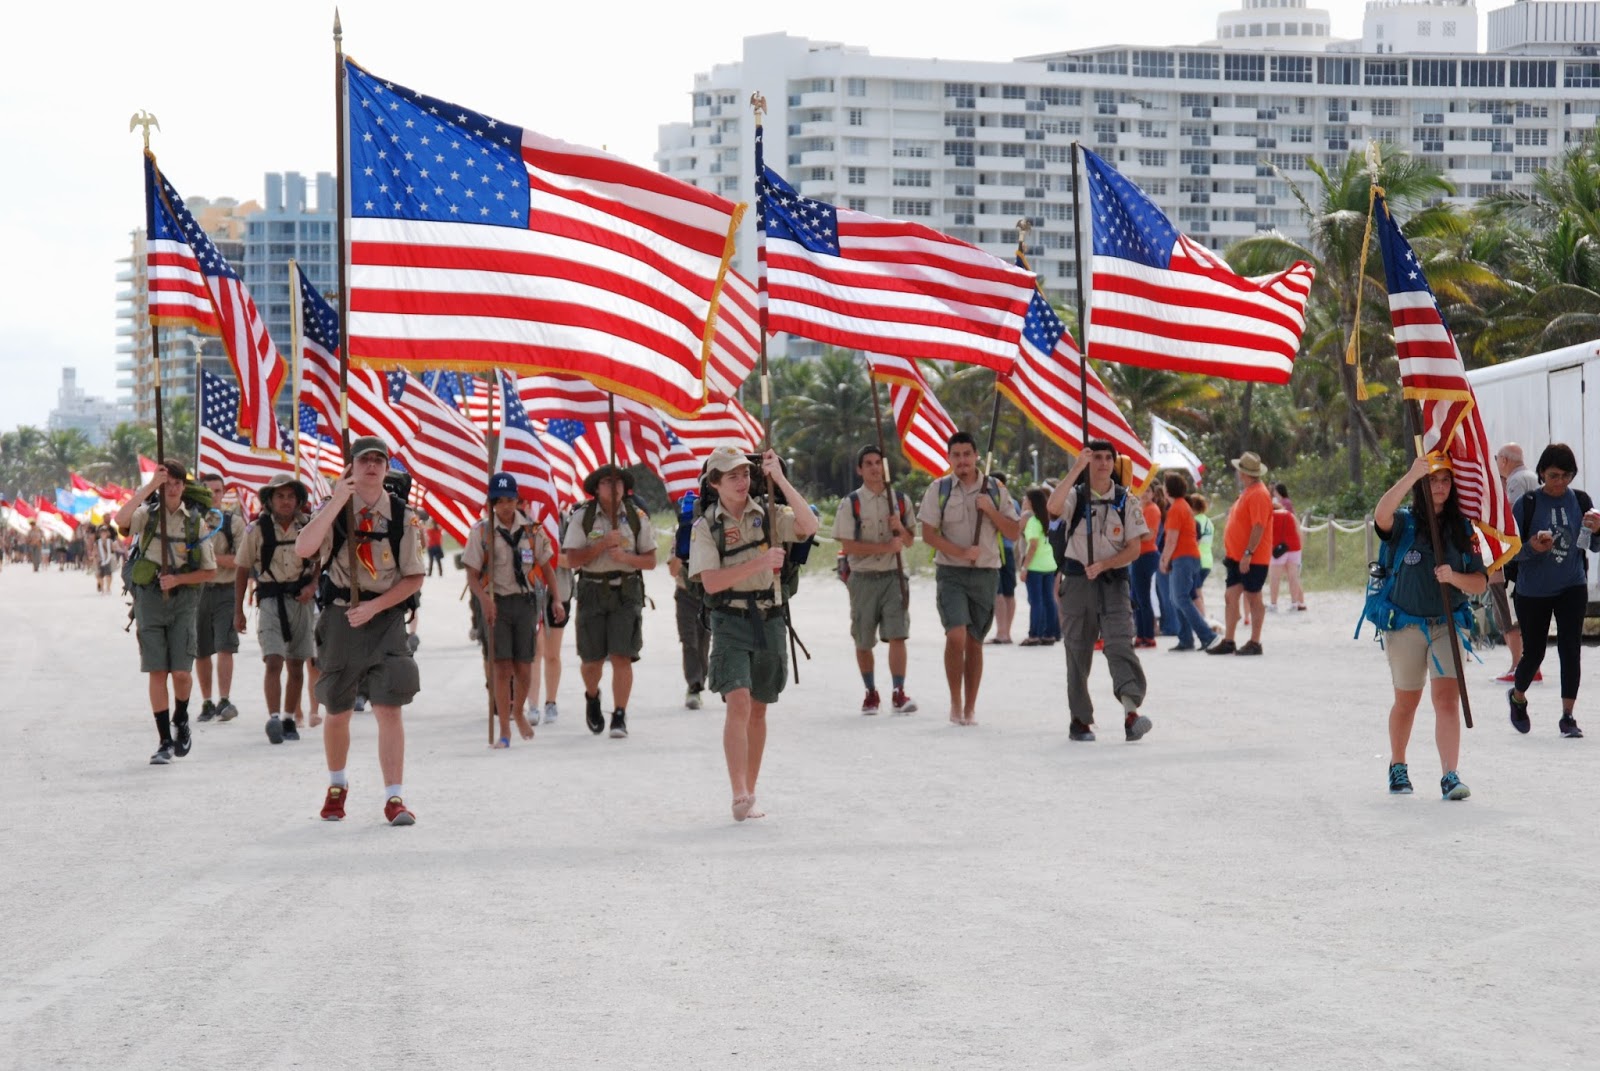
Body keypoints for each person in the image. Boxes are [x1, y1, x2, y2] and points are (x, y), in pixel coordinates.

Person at [295, 436, 426, 825]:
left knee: (389, 707)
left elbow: (414, 577)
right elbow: (304, 548)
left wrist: (375, 607)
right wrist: (337, 500)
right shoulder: (336, 510)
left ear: (386, 468)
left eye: (378, 460)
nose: (371, 466)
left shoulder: (402, 516)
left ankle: (394, 797)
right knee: (336, 708)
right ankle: (337, 786)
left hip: (384, 618)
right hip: (341, 617)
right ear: (351, 467)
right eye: (363, 459)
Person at [689, 446, 818, 821]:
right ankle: (738, 791)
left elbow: (809, 526)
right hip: (729, 619)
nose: (742, 481)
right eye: (732, 476)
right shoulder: (706, 526)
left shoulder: (771, 513)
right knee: (739, 700)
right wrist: (759, 562)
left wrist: (780, 479)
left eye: (745, 474)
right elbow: (711, 583)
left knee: (760, 707)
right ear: (715, 483)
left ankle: (751, 789)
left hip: (770, 616)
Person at [1371, 453, 1486, 800]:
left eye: (1446, 480)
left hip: (1448, 624)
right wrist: (1411, 474)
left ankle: (1450, 774)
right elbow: (1381, 515)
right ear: (1422, 485)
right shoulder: (1405, 523)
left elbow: (1480, 583)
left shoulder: (1463, 529)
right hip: (1405, 625)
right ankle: (1398, 765)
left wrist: (1455, 578)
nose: (1440, 487)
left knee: (1446, 699)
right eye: (1433, 480)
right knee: (1407, 701)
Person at [1047, 442, 1153, 742]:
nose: (1103, 464)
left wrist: (1106, 563)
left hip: (1114, 583)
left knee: (1120, 645)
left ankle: (1131, 713)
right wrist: (1076, 469)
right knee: (1078, 651)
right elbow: (1053, 509)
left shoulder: (1126, 500)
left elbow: (1135, 548)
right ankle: (1080, 720)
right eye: (1097, 458)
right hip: (1078, 583)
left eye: (1108, 458)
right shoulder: (1074, 496)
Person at [114, 460, 218, 765]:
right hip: (149, 599)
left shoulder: (194, 522)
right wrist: (148, 488)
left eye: (176, 483)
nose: (172, 488)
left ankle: (181, 717)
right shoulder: (148, 515)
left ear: (183, 487)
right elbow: (120, 520)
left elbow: (209, 572)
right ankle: (163, 740)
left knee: (182, 673)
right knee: (157, 670)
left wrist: (179, 579)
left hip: (183, 600)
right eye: (166, 483)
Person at [918, 431, 1022, 726]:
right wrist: (961, 552)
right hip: (951, 573)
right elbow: (928, 534)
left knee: (975, 641)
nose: (962, 460)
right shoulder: (939, 489)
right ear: (949, 458)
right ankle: (955, 701)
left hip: (986, 573)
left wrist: (990, 510)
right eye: (956, 455)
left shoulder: (995, 489)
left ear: (976, 455)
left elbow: (1013, 532)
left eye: (967, 454)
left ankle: (970, 707)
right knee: (956, 635)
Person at [1506, 443, 1598, 740]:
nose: (1560, 482)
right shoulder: (1528, 503)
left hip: (1572, 585)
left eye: (1567, 475)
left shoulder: (1581, 500)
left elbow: (1587, 546)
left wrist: (1596, 531)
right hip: (1533, 590)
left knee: (1570, 649)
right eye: (1554, 475)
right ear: (1542, 472)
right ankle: (1518, 696)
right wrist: (1532, 547)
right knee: (1533, 653)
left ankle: (1568, 716)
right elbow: (1509, 552)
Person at [465, 473, 564, 747]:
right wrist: (484, 601)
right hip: (496, 603)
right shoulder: (481, 532)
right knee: (501, 667)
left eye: (511, 500)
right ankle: (505, 727)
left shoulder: (533, 530)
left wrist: (556, 600)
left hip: (525, 603)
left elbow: (546, 567)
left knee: (524, 665)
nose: (506, 506)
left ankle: (519, 710)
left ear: (518, 500)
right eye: (500, 501)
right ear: (492, 503)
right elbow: (472, 574)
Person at [562, 463, 657, 739]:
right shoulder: (583, 517)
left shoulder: (637, 516)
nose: (613, 487)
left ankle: (619, 714)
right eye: (606, 482)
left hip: (626, 590)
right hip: (592, 590)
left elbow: (650, 560)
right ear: (596, 488)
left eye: (618, 482)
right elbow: (572, 559)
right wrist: (602, 544)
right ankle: (592, 697)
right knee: (591, 661)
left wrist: (626, 558)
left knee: (621, 656)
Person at [234, 473, 319, 745]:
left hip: (300, 599)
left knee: (296, 663)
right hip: (270, 599)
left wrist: (313, 586)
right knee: (273, 659)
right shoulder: (257, 529)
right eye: (279, 496)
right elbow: (242, 567)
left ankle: (288, 718)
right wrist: (238, 610)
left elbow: (323, 562)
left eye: (290, 496)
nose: (285, 501)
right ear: (269, 500)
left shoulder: (308, 526)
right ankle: (273, 717)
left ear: (299, 500)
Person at [833, 444, 918, 714]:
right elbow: (848, 545)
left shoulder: (900, 500)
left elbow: (909, 540)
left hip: (895, 576)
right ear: (860, 469)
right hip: (863, 578)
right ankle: (871, 691)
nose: (874, 468)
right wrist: (884, 548)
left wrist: (899, 528)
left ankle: (898, 691)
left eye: (878, 462)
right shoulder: (851, 503)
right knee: (863, 637)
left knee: (897, 634)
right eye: (868, 463)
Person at [1209, 451, 1273, 656]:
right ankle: (1229, 640)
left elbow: (1258, 526)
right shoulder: (1249, 492)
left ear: (1243, 472)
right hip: (1236, 556)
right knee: (1231, 595)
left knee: (1253, 596)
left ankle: (1255, 641)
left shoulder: (1259, 494)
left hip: (1253, 557)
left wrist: (1248, 553)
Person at [193, 473, 245, 725]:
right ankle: (207, 701)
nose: (214, 495)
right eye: (209, 490)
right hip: (198, 591)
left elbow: (240, 559)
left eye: (218, 490)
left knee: (226, 646)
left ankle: (224, 698)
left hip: (226, 589)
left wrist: (208, 556)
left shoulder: (232, 522)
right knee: (201, 649)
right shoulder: (191, 521)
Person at [1489, 443, 1542, 683]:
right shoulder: (1532, 478)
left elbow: (1509, 520)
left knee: (1507, 613)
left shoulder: (1515, 482)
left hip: (1511, 558)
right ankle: (1528, 664)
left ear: (1505, 461)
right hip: (1530, 558)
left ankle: (1517, 664)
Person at [1159, 472, 1221, 652]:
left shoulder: (1176, 509)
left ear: (1167, 489)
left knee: (1181, 598)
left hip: (1183, 557)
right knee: (1176, 598)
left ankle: (1207, 636)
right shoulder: (1182, 506)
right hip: (1188, 557)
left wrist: (1164, 559)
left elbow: (1171, 539)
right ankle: (1186, 639)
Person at [668, 490, 712, 710]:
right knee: (689, 641)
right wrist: (681, 549)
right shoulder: (682, 533)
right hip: (685, 595)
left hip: (708, 594)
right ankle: (694, 685)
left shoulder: (712, 531)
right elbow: (672, 569)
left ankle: (701, 679)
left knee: (704, 642)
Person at [540, 510, 575, 725]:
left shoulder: (564, 522)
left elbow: (574, 561)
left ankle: (550, 701)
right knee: (529, 653)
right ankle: (524, 702)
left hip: (558, 594)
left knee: (552, 654)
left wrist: (547, 555)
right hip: (525, 593)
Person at [1019, 487, 1061, 646]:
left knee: (1036, 601)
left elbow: (1033, 546)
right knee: (1049, 599)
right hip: (1049, 564)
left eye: (1026, 499)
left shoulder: (1032, 522)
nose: (1024, 501)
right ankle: (1050, 633)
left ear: (1031, 502)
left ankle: (1034, 634)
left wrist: (1024, 568)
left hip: (1036, 566)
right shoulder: (1047, 519)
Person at [1129, 485, 1162, 649]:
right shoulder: (1139, 508)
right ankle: (1141, 634)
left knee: (1143, 597)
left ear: (1153, 494)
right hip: (1137, 555)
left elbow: (1149, 534)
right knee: (1137, 597)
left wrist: (1132, 536)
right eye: (1142, 490)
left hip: (1146, 555)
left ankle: (1148, 635)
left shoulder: (1152, 509)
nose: (1144, 494)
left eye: (1148, 491)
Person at [1268, 483, 1306, 612]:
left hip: (1278, 549)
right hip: (1294, 548)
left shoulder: (1270, 516)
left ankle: (1273, 604)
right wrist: (1301, 547)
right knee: (1293, 577)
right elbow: (1299, 531)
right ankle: (1294, 603)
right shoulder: (1290, 515)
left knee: (1275, 577)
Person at [991, 474, 1019, 645]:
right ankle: (1006, 632)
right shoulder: (1013, 501)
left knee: (999, 591)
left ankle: (1002, 632)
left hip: (998, 548)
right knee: (1009, 591)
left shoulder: (997, 501)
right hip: (1008, 548)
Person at [1189, 492, 1216, 620]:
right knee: (1198, 589)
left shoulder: (1194, 521)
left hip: (1198, 559)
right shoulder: (1208, 521)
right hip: (1208, 559)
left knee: (1195, 590)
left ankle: (1201, 617)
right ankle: (1201, 614)